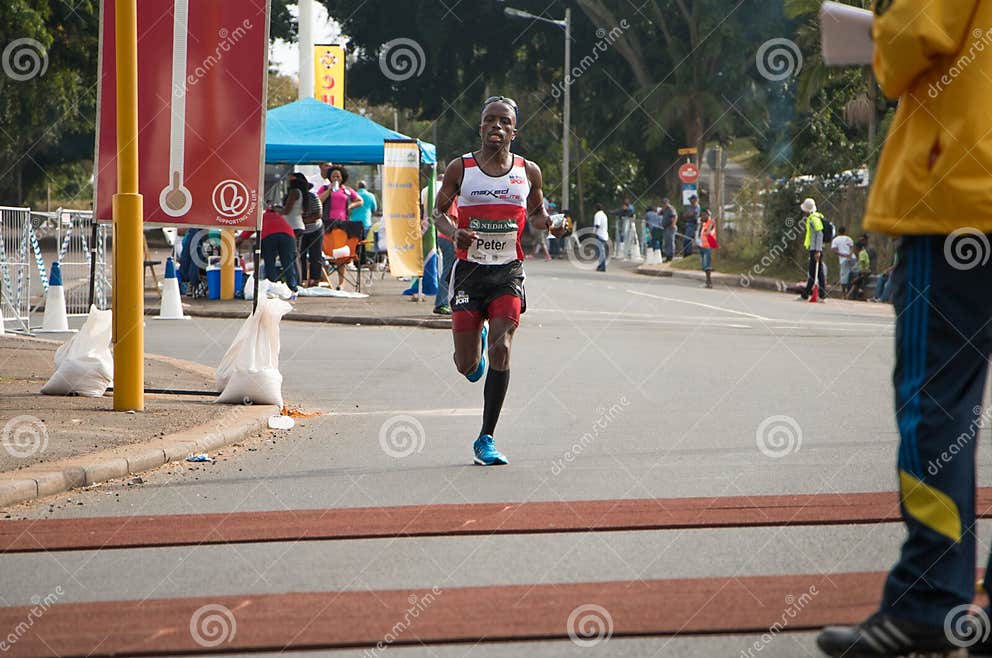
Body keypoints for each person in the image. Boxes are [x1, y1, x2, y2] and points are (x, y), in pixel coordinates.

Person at [815, 1, 992, 655]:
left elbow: (919, 33)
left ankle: (931, 597)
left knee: (936, 402)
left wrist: (881, 37)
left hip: (959, 200)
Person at [432, 95, 564, 466]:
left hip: (508, 271)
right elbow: (437, 212)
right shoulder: (462, 168)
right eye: (490, 119)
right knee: (466, 365)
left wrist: (554, 224)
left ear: (514, 131)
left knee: (502, 348)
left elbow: (538, 216)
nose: (497, 126)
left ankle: (485, 438)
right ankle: (473, 357)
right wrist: (453, 231)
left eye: (504, 121)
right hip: (469, 274)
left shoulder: (528, 171)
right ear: (481, 126)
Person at [318, 164, 363, 290]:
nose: (336, 178)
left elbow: (360, 200)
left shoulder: (347, 190)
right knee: (325, 252)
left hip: (343, 224)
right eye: (333, 176)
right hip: (327, 224)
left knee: (340, 255)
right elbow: (319, 200)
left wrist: (350, 206)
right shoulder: (325, 188)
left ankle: (341, 283)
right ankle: (323, 279)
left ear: (342, 178)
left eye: (338, 176)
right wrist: (329, 190)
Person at [426, 173, 455, 315]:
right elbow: (452, 219)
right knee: (449, 271)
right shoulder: (454, 197)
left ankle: (446, 302)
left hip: (444, 237)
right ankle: (442, 303)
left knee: (450, 271)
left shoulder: (446, 195)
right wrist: (456, 236)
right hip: (450, 238)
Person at [259, 209, 299, 297]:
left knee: (269, 262)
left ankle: (273, 286)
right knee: (288, 262)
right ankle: (293, 287)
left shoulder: (261, 216)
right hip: (288, 236)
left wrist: (240, 239)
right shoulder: (279, 216)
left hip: (268, 236)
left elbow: (250, 230)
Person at [798, 198, 827, 302]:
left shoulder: (814, 218)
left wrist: (818, 250)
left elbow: (819, 234)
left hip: (816, 249)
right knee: (814, 272)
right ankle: (807, 294)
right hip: (814, 248)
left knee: (817, 272)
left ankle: (821, 295)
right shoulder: (813, 217)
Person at [351, 181, 379, 265]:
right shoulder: (371, 196)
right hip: (366, 222)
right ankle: (363, 262)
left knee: (354, 242)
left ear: (357, 187)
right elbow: (374, 208)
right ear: (365, 187)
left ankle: (355, 261)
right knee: (364, 243)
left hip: (354, 221)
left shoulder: (354, 195)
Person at [831, 225, 856, 296]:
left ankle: (844, 293)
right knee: (852, 275)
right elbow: (852, 247)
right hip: (853, 258)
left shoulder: (835, 240)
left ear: (838, 232)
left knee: (844, 276)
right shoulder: (848, 238)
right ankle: (850, 292)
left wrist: (843, 255)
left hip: (843, 260)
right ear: (844, 232)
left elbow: (834, 250)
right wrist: (850, 255)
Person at [695, 209, 718, 288]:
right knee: (704, 266)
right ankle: (707, 282)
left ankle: (709, 283)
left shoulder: (710, 224)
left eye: (705, 215)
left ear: (709, 216)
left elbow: (708, 233)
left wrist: (711, 224)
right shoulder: (703, 224)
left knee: (706, 265)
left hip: (708, 246)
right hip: (702, 246)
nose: (703, 216)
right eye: (702, 215)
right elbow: (699, 234)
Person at [593, 203, 609, 272]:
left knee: (600, 251)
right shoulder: (604, 215)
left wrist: (594, 233)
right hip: (604, 234)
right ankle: (601, 265)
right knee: (601, 251)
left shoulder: (597, 215)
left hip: (599, 234)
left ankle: (602, 266)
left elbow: (597, 225)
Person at [660, 198, 677, 262]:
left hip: (670, 227)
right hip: (665, 227)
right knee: (666, 242)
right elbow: (658, 214)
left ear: (668, 202)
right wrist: (662, 209)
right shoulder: (664, 209)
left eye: (665, 203)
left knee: (670, 241)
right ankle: (667, 255)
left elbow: (675, 216)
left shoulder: (670, 208)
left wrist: (673, 224)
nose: (664, 204)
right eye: (663, 203)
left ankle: (670, 256)